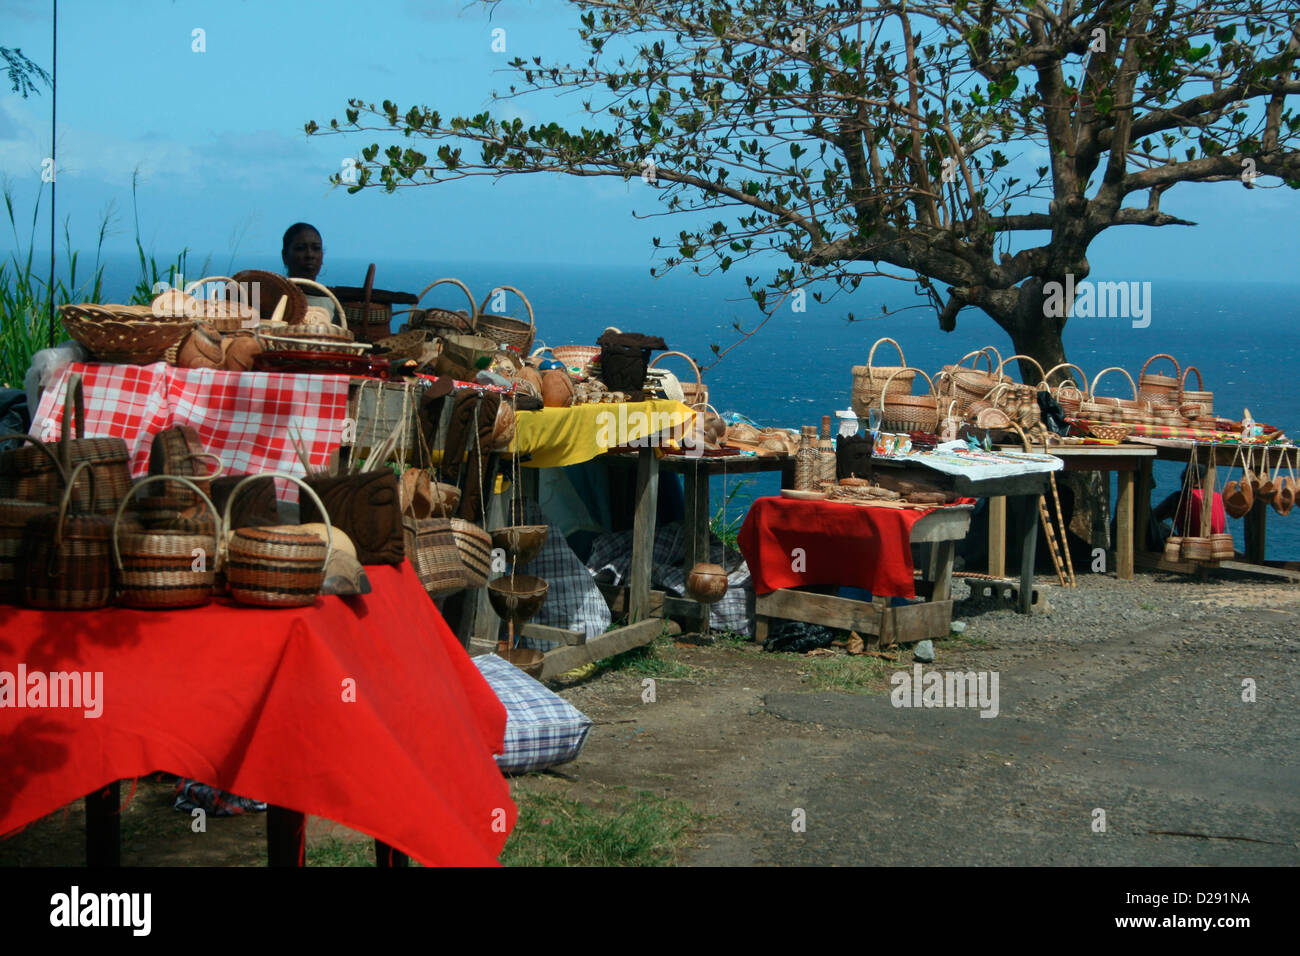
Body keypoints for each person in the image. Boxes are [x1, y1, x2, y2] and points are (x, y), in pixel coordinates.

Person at [280, 222, 341, 321]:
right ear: (285, 256)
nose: (310, 255)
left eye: (316, 248)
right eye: (300, 248)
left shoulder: (334, 304)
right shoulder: (268, 297)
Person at [1152, 464, 1226, 541]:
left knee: (1154, 525)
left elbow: (1153, 518)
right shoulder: (1218, 497)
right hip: (1215, 546)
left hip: (1190, 545)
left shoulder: (1179, 497)